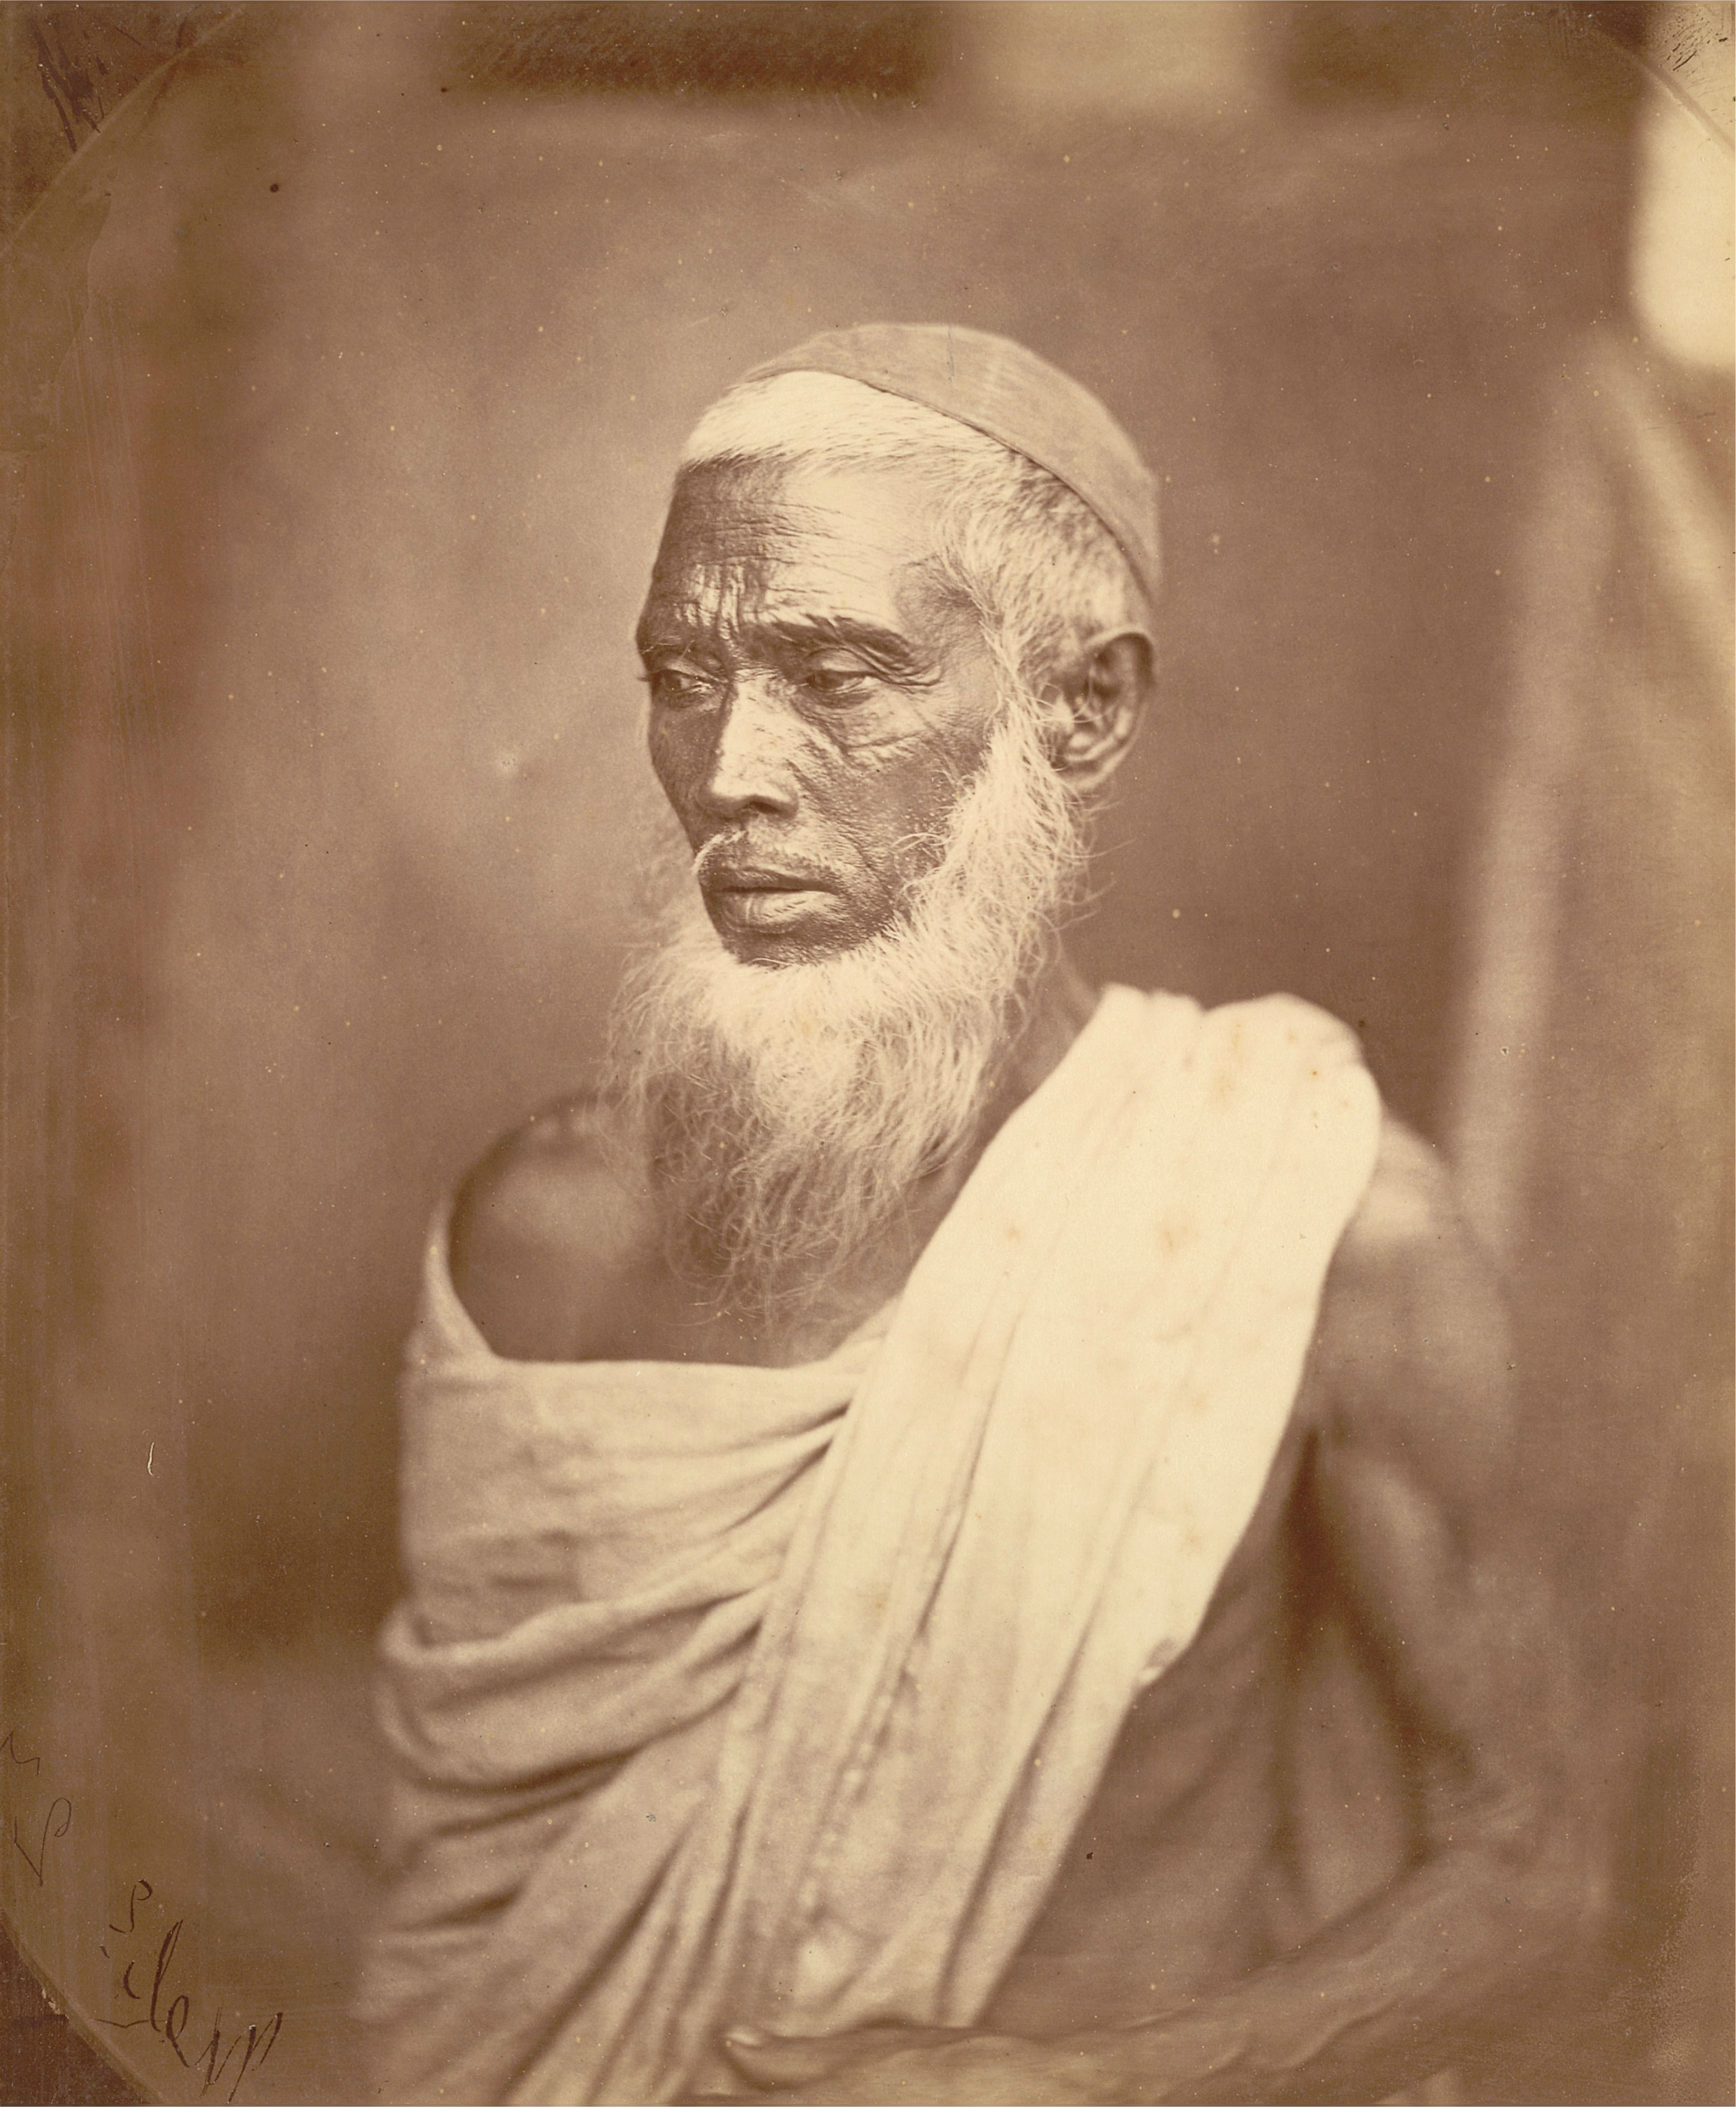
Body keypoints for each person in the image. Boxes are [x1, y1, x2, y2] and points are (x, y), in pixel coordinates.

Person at [359, 326, 1601, 2106]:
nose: (727, 776)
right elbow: (467, 1961)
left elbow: (1541, 1870)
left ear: (1078, 708)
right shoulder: (548, 1241)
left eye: (837, 673)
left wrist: (1084, 2087)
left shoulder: (1321, 1229)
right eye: (681, 674)